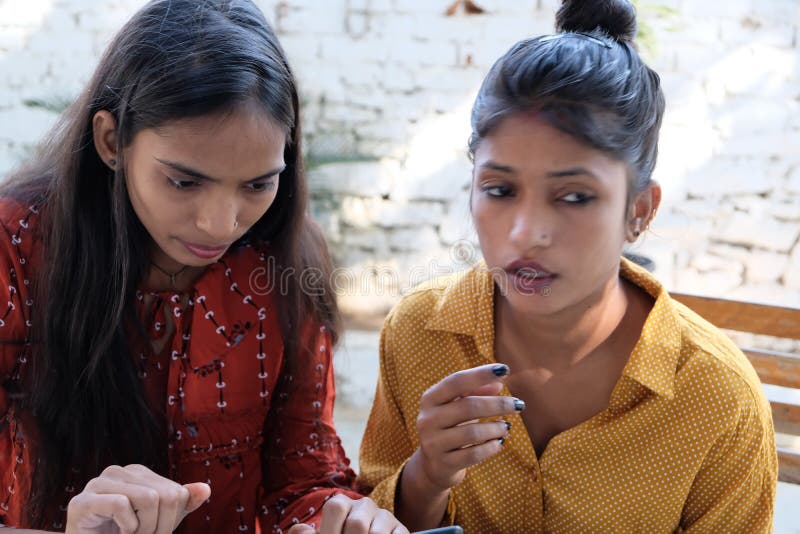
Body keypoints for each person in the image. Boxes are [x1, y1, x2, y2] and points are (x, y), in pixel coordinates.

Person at [357, 0, 778, 532]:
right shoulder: (419, 333)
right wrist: (427, 475)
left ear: (639, 211)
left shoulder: (717, 399)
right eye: (499, 190)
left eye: (574, 196)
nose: (524, 232)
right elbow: (370, 508)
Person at [0, 1, 407, 533]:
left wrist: (343, 519)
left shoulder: (285, 260)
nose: (220, 224)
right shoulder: (16, 247)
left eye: (259, 184)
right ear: (110, 142)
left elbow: (303, 479)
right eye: (185, 182)